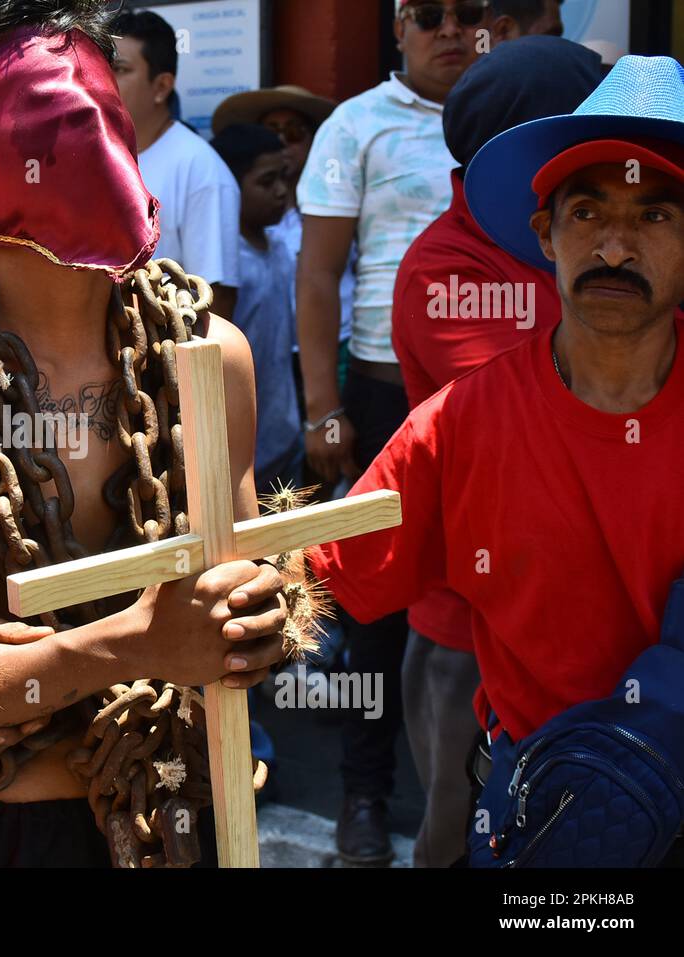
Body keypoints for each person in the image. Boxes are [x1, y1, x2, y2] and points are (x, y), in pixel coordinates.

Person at [0, 0, 290, 868]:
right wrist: (123, 648)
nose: (79, 133)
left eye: (98, 108)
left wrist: (254, 624)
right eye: (40, 113)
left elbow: (246, 604)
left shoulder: (211, 354)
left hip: (180, 815)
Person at [313, 53, 684, 867]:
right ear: (544, 233)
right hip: (533, 812)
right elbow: (319, 576)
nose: (616, 247)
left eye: (655, 216)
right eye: (588, 212)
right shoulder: (460, 422)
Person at [389, 35, 605, 867]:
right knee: (469, 833)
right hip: (470, 632)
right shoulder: (445, 270)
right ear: (524, 153)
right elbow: (539, 423)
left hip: (614, 614)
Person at [295, 0, 486, 864]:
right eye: (430, 14)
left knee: (487, 604)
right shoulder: (354, 124)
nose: (451, 29)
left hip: (496, 405)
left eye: (471, 13)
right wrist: (320, 404)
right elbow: (320, 272)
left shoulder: (506, 119)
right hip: (380, 401)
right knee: (373, 614)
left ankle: (490, 804)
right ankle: (362, 798)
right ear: (400, 28)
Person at [110, 9, 240, 323]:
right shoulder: (90, 157)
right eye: (101, 66)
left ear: (162, 86)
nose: (104, 79)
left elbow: (214, 296)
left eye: (120, 69)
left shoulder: (200, 168)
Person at [210, 124, 301, 492]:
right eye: (266, 182)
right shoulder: (228, 261)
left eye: (284, 178)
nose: (281, 191)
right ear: (233, 187)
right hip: (245, 447)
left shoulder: (280, 248)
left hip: (286, 432)